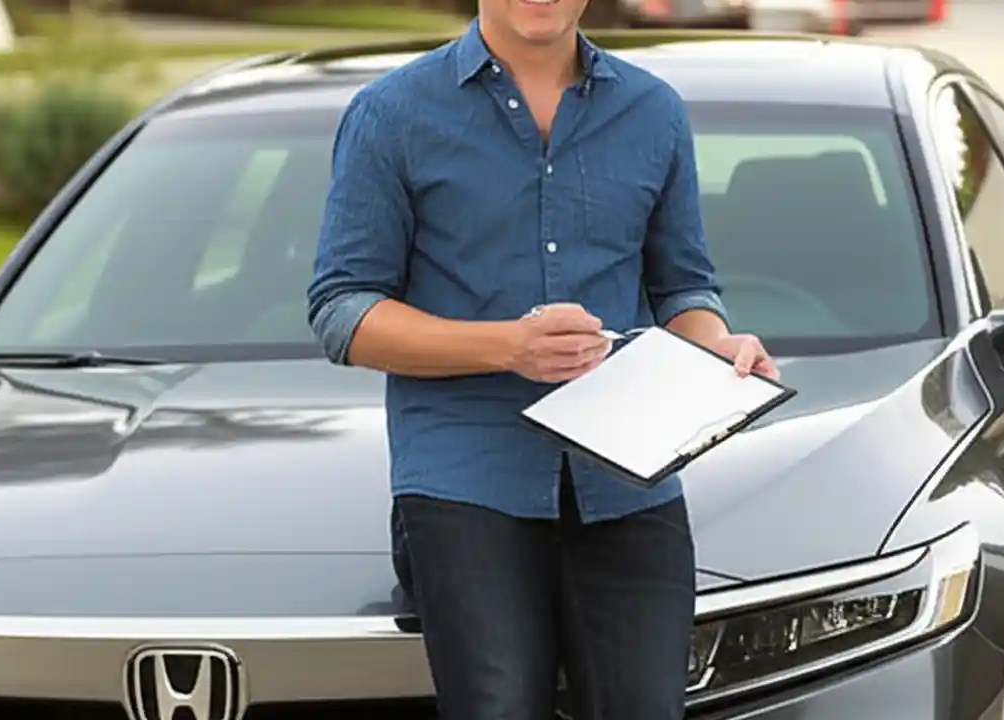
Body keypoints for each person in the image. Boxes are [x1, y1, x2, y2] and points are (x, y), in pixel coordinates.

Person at [306, 0, 778, 717]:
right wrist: (507, 347)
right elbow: (343, 311)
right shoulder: (392, 113)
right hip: (466, 481)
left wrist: (720, 351)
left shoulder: (653, 112)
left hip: (628, 481)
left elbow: (682, 288)